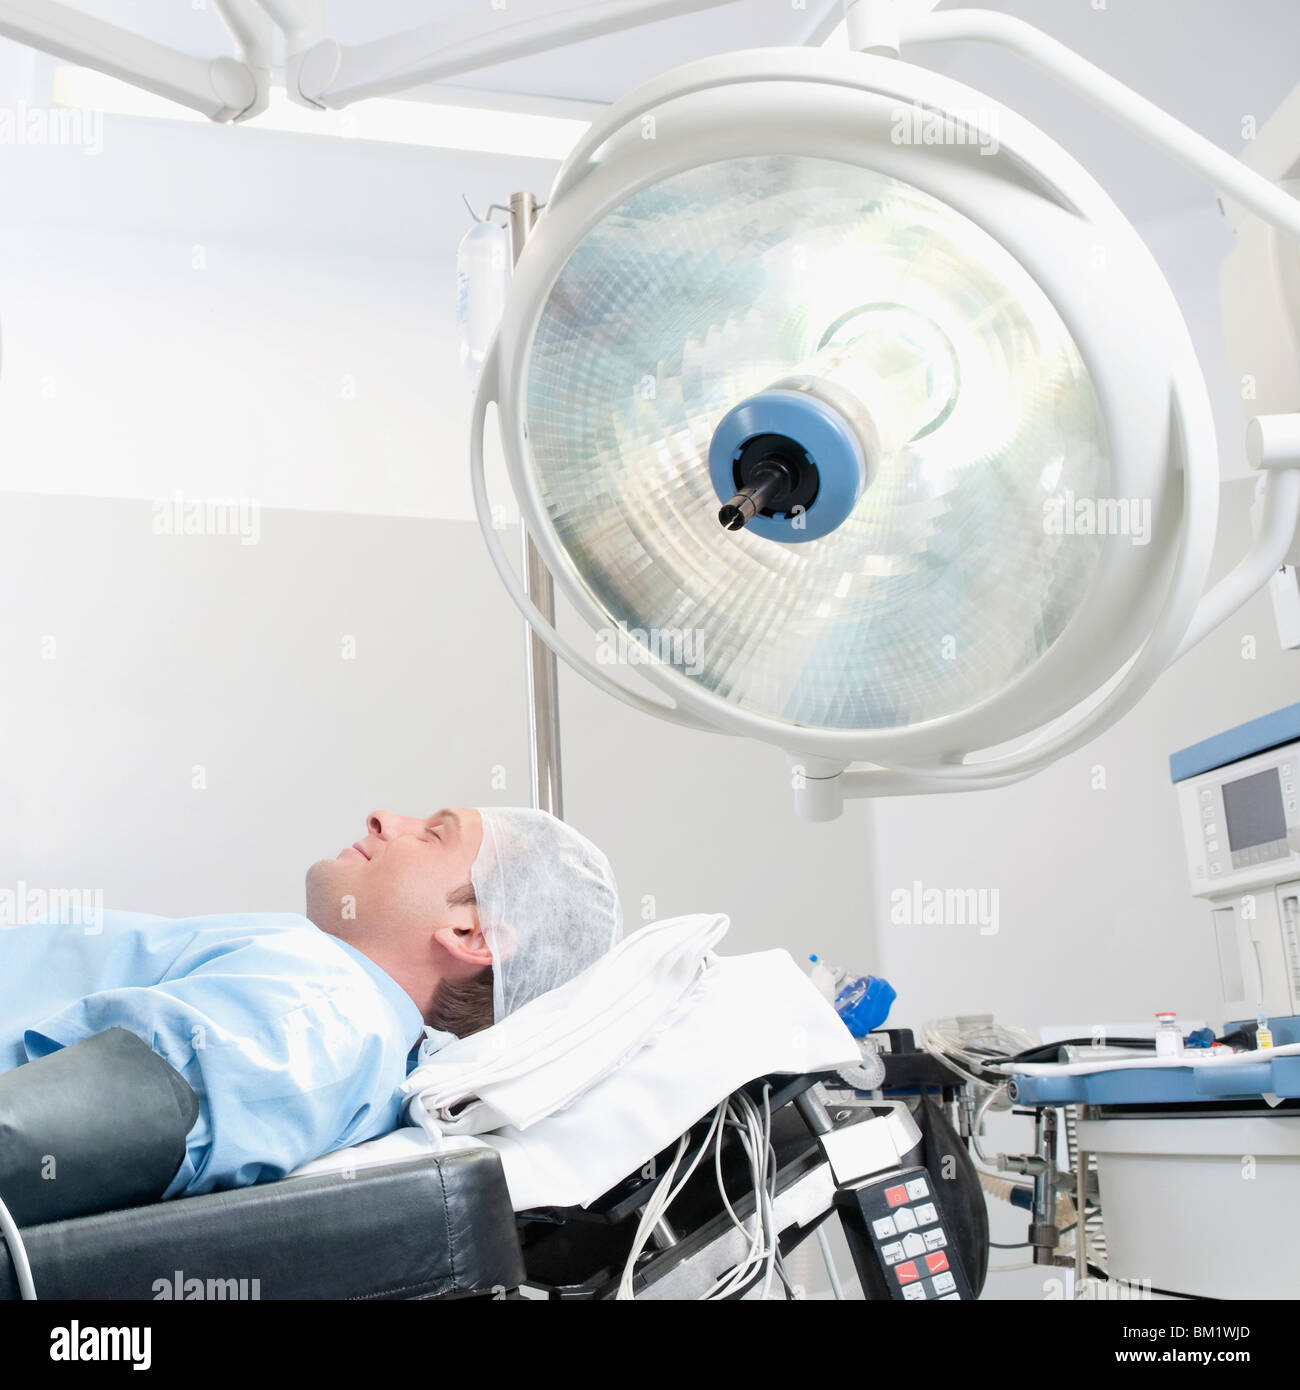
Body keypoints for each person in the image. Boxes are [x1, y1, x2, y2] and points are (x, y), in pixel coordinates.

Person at [0, 806, 621, 1197]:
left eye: (433, 835)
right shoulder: (327, 1005)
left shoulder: (323, 1014)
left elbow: (28, 1141)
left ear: (472, 934)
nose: (382, 818)